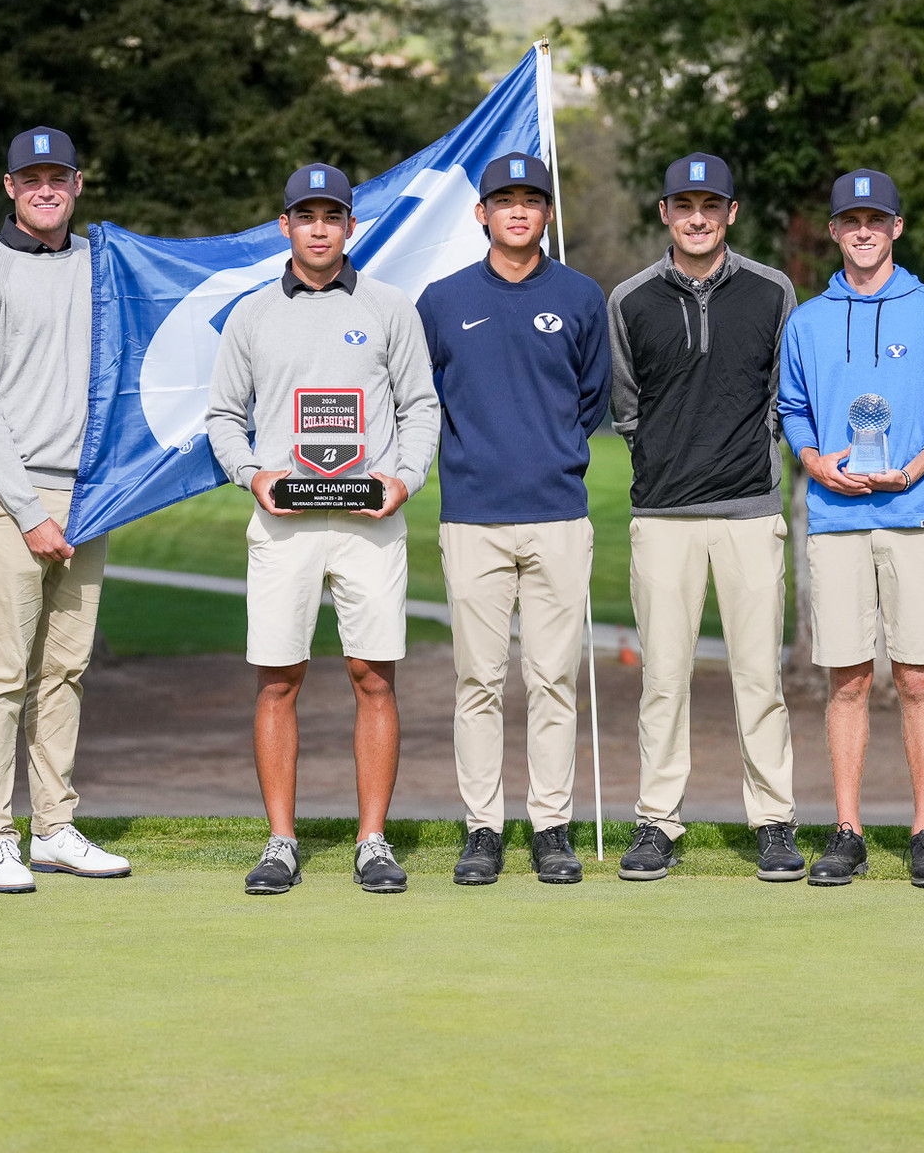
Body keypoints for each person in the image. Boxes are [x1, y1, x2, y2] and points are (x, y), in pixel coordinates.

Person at [205, 162, 441, 896]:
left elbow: (421, 406)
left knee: (374, 677)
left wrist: (403, 478)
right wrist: (252, 474)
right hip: (286, 524)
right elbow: (223, 415)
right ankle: (281, 842)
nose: (318, 229)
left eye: (331, 216)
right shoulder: (251, 314)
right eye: (305, 216)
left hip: (370, 520)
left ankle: (372, 841)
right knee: (279, 679)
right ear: (285, 226)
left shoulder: (390, 306)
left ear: (350, 226)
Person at [774, 169, 924, 889]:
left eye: (876, 220)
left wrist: (918, 465)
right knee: (848, 679)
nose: (863, 232)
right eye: (851, 221)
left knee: (917, 677)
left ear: (897, 227)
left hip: (914, 512)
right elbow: (793, 408)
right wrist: (813, 462)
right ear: (834, 231)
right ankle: (848, 832)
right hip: (836, 518)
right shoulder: (808, 321)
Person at [414, 152, 610, 886]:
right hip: (473, 516)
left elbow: (591, 398)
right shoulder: (442, 300)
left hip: (557, 514)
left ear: (548, 214)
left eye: (532, 200)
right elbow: (424, 396)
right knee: (479, 681)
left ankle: (551, 827)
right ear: (483, 214)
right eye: (505, 200)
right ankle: (483, 829)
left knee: (554, 679)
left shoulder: (581, 296)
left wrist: (548, 453)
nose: (518, 210)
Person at [607, 153, 803, 882]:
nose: (697, 218)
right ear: (664, 213)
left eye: (710, 206)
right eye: (684, 206)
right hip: (663, 514)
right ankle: (657, 821)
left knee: (760, 677)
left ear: (731, 213)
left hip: (749, 510)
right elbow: (627, 407)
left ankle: (774, 820)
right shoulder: (629, 299)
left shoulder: (772, 291)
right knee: (664, 679)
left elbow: (782, 395)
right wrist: (665, 458)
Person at [0, 127, 130, 894]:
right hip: (9, 495)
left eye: (58, 177)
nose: (45, 189)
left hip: (88, 496)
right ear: (10, 187)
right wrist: (27, 511)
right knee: (3, 670)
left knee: (66, 669)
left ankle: (53, 827)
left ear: (78, 184)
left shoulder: (103, 266)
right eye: (32, 179)